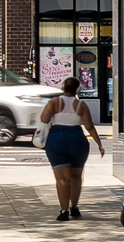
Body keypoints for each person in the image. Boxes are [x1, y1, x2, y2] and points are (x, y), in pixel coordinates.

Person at [41, 73, 102, 220]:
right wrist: (99, 144)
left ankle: (64, 211)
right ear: (77, 90)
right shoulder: (81, 105)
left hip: (57, 139)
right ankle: (74, 207)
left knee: (62, 179)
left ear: (63, 88)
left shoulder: (54, 102)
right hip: (77, 139)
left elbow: (44, 119)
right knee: (76, 176)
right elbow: (89, 126)